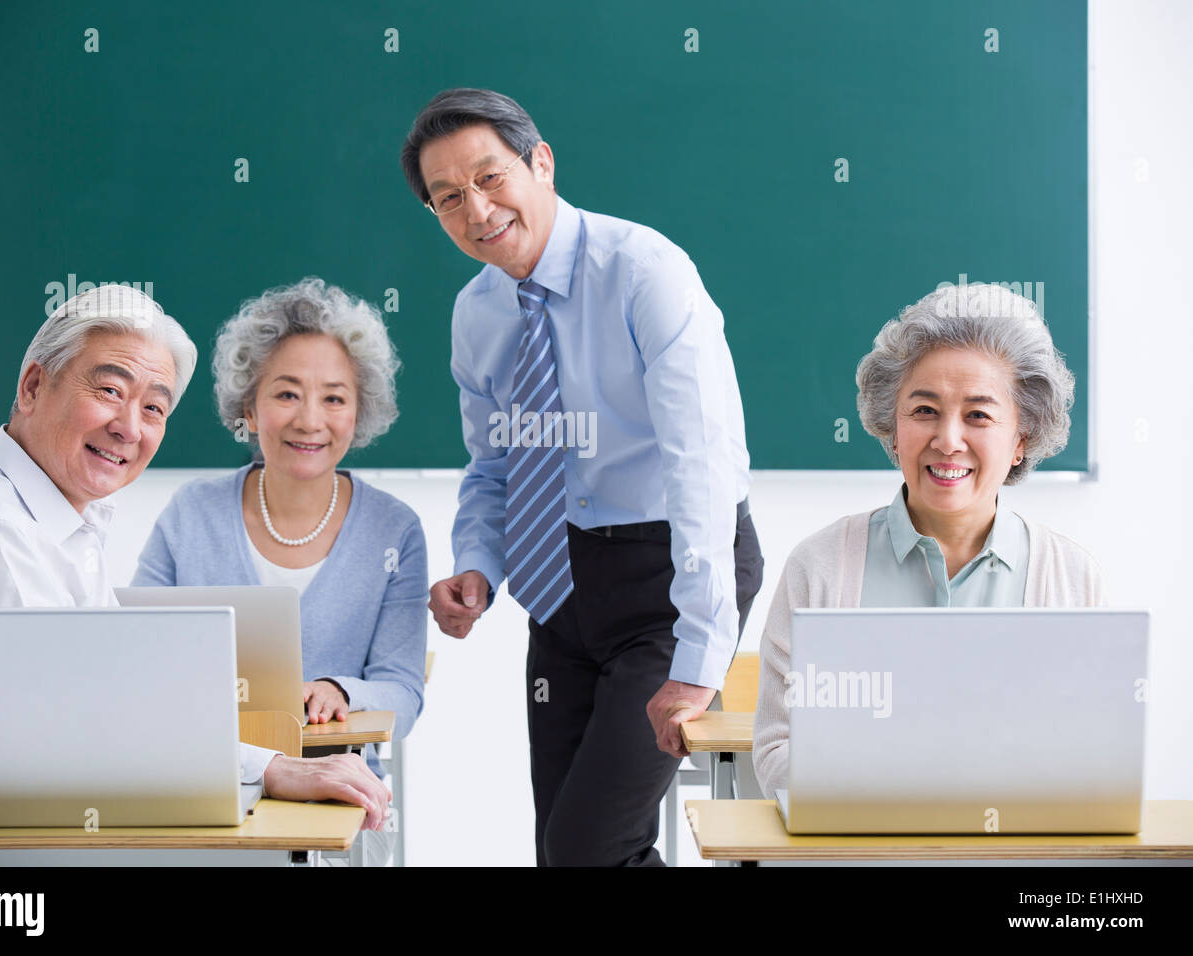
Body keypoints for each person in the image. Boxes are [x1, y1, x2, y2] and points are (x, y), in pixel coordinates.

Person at [401, 88, 763, 866]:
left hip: (674, 570)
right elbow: (494, 465)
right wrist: (478, 563)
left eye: (491, 178)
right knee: (563, 852)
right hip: (563, 583)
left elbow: (700, 469)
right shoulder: (476, 313)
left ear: (541, 162)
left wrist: (699, 660)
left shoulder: (645, 273)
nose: (478, 210)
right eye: (449, 198)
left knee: (591, 848)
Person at [0, 284, 391, 828]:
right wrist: (270, 767)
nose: (129, 427)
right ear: (34, 385)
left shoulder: (62, 521)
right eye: (109, 390)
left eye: (153, 407)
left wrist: (269, 764)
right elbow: (72, 746)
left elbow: (113, 704)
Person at [751, 282, 1106, 796]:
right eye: (924, 411)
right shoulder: (821, 566)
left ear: (1020, 440)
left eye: (979, 415)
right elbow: (778, 756)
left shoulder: (1071, 577)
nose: (948, 440)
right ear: (892, 428)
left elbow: (1088, 765)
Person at [131, 279, 427, 863]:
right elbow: (137, 659)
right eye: (287, 394)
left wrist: (340, 689)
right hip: (205, 791)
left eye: (335, 398)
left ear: (358, 411)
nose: (310, 420)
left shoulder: (395, 531)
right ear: (249, 406)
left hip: (338, 806)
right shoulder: (191, 515)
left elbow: (405, 693)